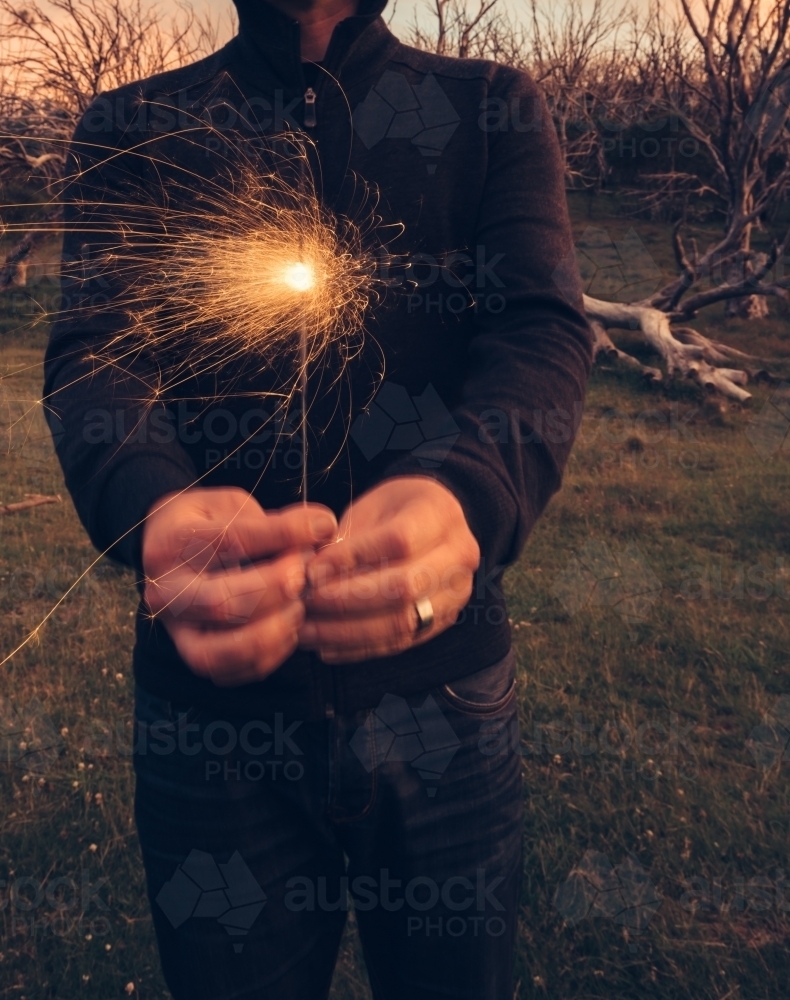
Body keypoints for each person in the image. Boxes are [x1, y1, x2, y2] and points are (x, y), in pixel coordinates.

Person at [45, 0, 593, 994]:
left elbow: (541, 330)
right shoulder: (127, 128)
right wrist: (155, 507)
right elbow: (97, 359)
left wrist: (465, 495)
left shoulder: (491, 110)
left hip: (443, 704)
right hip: (210, 721)